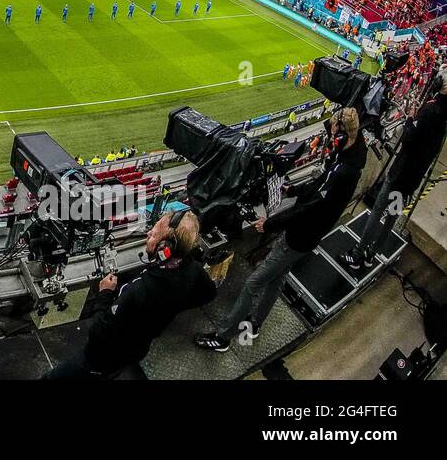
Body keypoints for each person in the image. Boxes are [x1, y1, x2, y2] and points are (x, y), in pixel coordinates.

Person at [196, 107, 366, 352]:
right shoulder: (350, 157)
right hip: (307, 235)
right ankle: (254, 325)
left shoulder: (344, 171)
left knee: (253, 283)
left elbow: (312, 207)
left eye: (333, 133)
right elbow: (319, 188)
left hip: (300, 235)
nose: (330, 138)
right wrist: (293, 190)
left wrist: (270, 223)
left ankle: (223, 337)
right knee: (277, 279)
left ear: (342, 136)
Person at [46, 209, 215, 379]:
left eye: (154, 233)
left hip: (100, 358)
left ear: (165, 248)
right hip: (136, 350)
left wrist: (104, 293)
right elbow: (209, 294)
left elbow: (99, 332)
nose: (148, 233)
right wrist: (174, 304)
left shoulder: (137, 291)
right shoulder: (194, 270)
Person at [343, 74, 447, 272]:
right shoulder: (443, 115)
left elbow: (409, 140)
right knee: (392, 215)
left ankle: (357, 254)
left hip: (399, 175)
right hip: (412, 180)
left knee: (378, 211)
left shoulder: (429, 111)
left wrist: (410, 120)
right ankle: (372, 254)